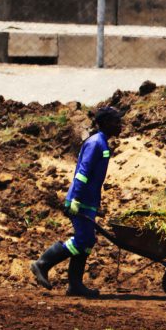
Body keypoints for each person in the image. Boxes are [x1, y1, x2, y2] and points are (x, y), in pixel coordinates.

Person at [30, 106, 123, 298]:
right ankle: (43, 264)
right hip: (80, 199)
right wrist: (76, 198)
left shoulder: (103, 143)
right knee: (83, 240)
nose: (120, 125)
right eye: (116, 122)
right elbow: (83, 173)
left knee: (87, 242)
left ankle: (75, 285)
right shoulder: (96, 143)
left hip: (89, 200)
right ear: (105, 123)